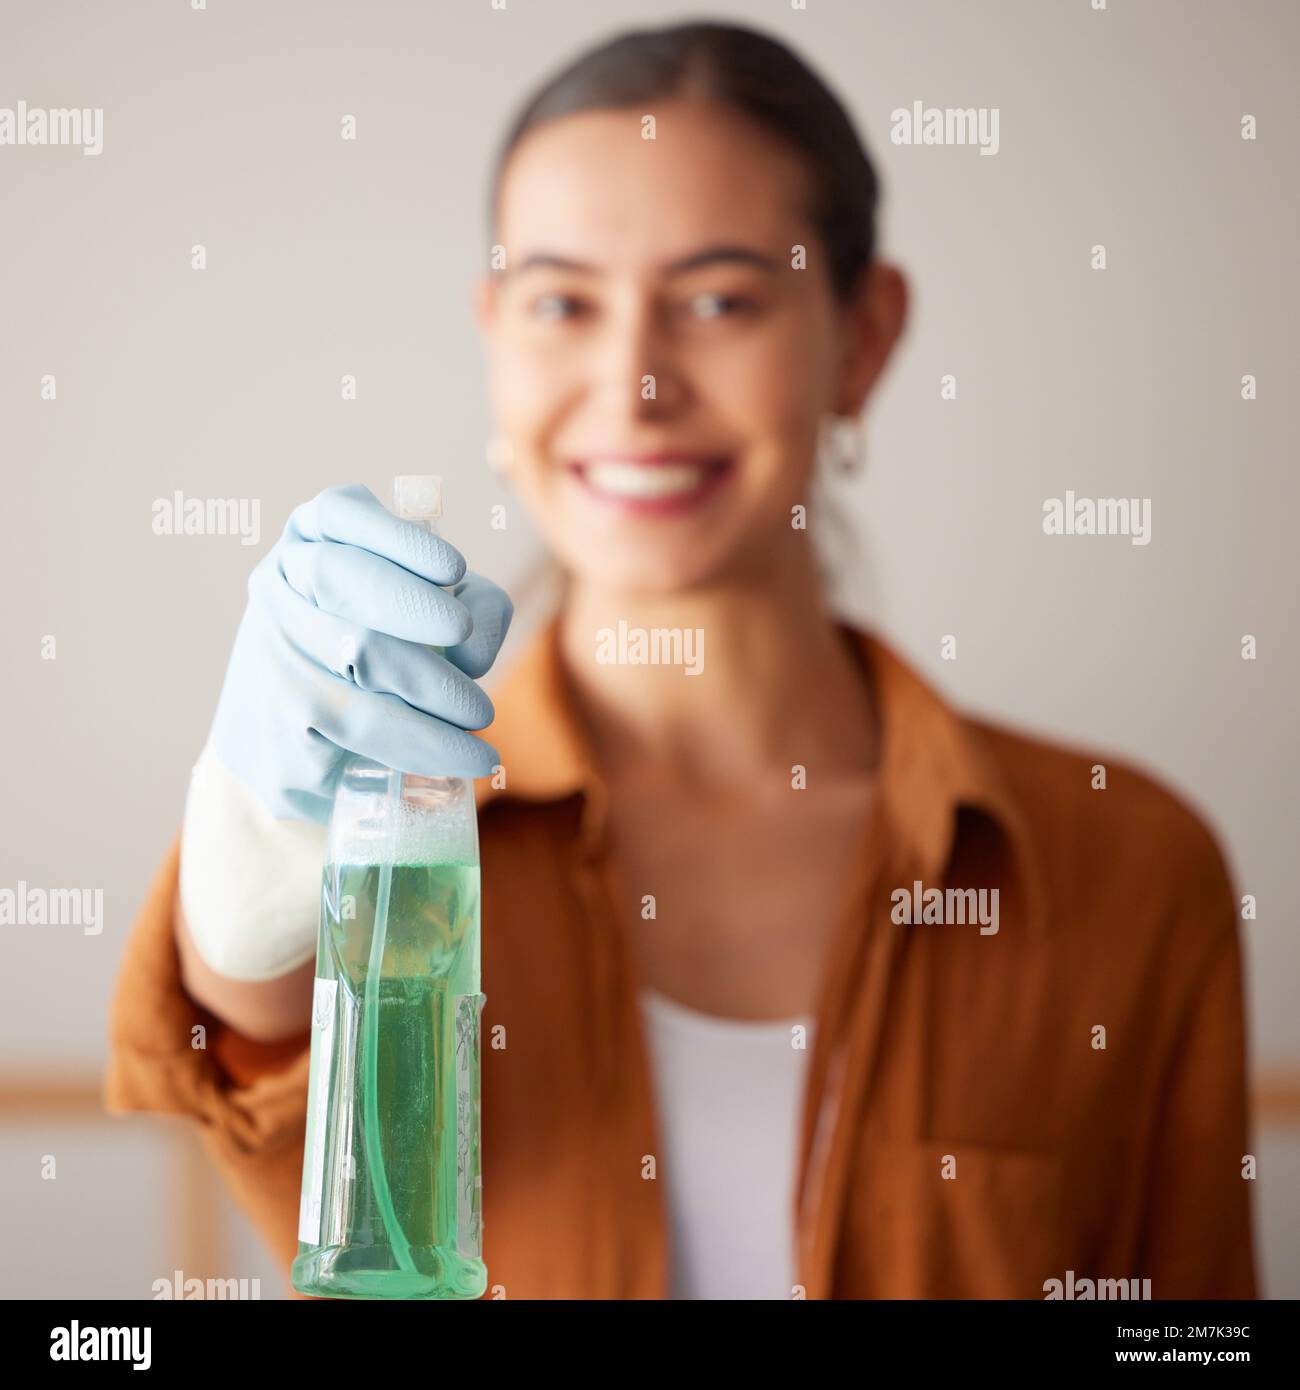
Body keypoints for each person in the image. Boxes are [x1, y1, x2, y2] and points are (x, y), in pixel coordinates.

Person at [105, 20, 1257, 1300]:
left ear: (863, 338)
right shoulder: (390, 833)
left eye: (718, 298)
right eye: (562, 302)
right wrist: (258, 836)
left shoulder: (1131, 868)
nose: (632, 381)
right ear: (494, 333)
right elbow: (252, 1018)